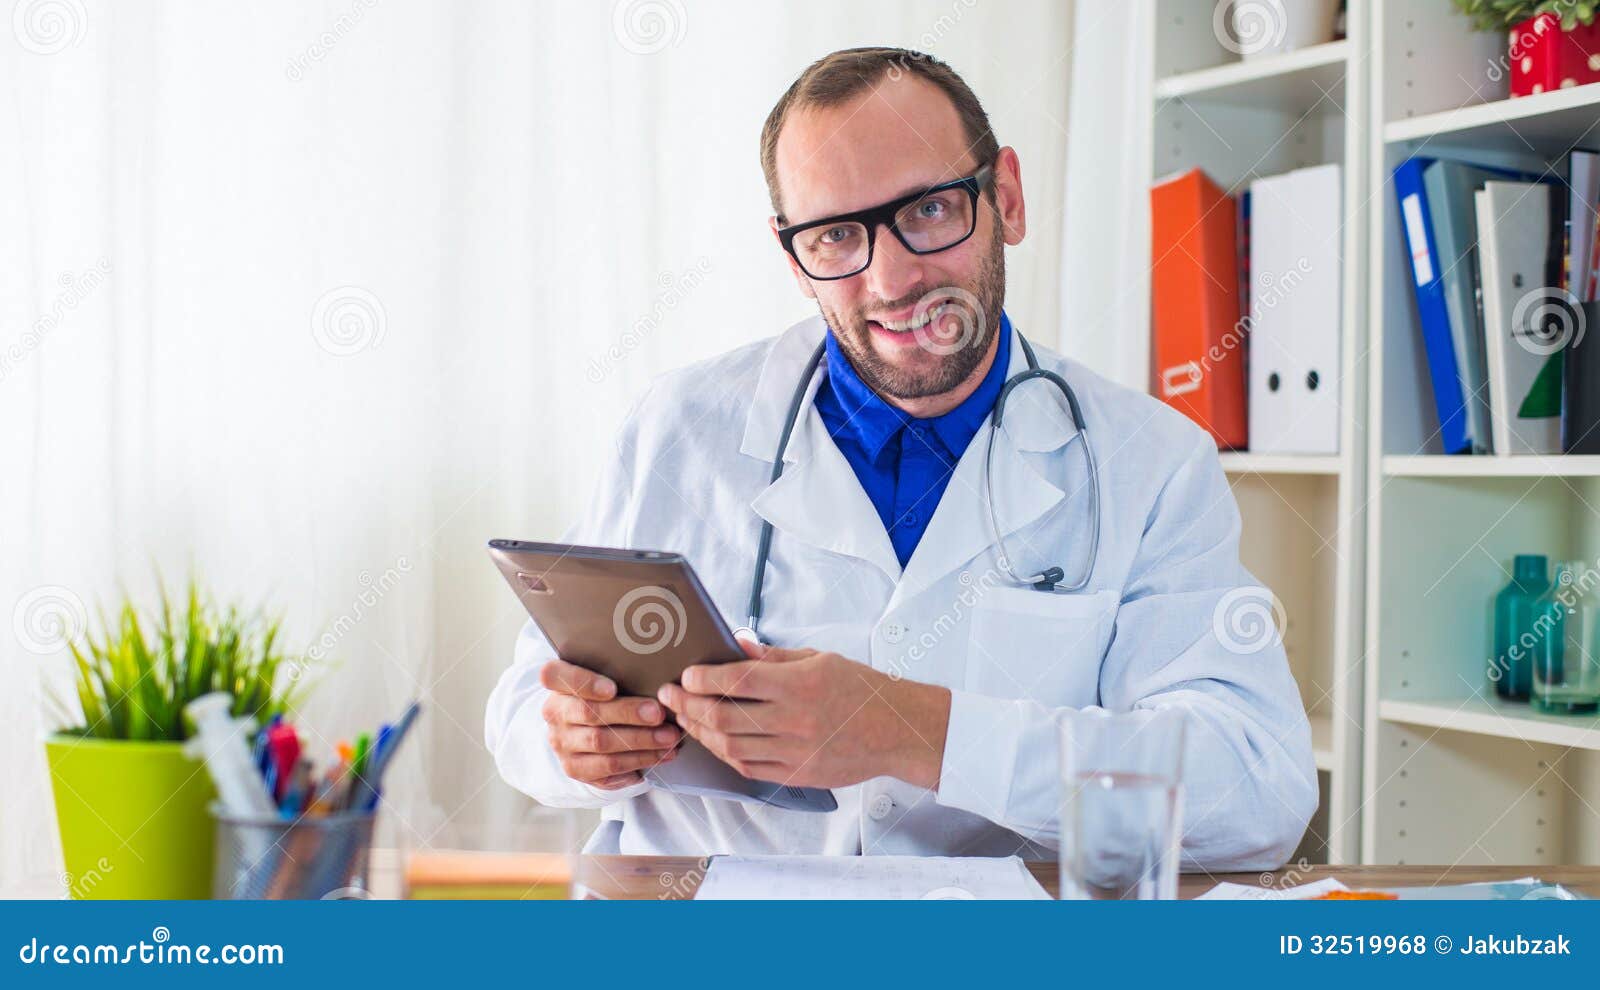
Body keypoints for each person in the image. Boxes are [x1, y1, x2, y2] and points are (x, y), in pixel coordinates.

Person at [485, 46, 1316, 868]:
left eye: (927, 211)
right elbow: (525, 704)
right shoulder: (677, 428)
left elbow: (1255, 791)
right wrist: (571, 742)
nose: (890, 279)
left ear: (1009, 200)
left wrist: (915, 730)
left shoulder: (1153, 461)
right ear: (794, 260)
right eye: (837, 235)